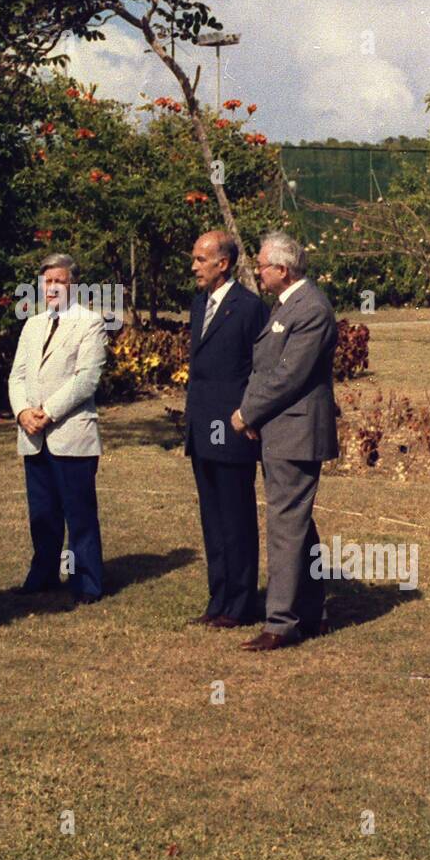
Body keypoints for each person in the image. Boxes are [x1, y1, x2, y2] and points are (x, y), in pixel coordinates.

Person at [231, 231, 339, 650]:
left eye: (261, 265)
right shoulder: (288, 304)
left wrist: (247, 412)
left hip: (296, 433)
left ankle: (280, 624)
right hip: (282, 429)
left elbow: (288, 376)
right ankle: (311, 612)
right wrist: (257, 412)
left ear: (283, 269)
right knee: (296, 524)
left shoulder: (310, 308)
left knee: (284, 525)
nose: (257, 272)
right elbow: (267, 369)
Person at [8, 253, 108, 604]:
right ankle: (44, 572)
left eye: (60, 282)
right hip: (33, 436)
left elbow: (86, 379)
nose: (53, 288)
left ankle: (87, 581)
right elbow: (17, 376)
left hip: (70, 433)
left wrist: (47, 412)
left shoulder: (91, 323)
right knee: (42, 513)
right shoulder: (32, 324)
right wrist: (22, 412)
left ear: (74, 285)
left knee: (78, 513)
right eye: (47, 282)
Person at [185, 230, 269, 629]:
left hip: (233, 429)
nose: (194, 267)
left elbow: (260, 368)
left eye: (202, 260)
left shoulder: (250, 308)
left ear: (224, 263)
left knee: (236, 519)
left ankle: (240, 603)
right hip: (202, 428)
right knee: (212, 519)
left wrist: (249, 416)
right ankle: (218, 598)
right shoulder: (199, 304)